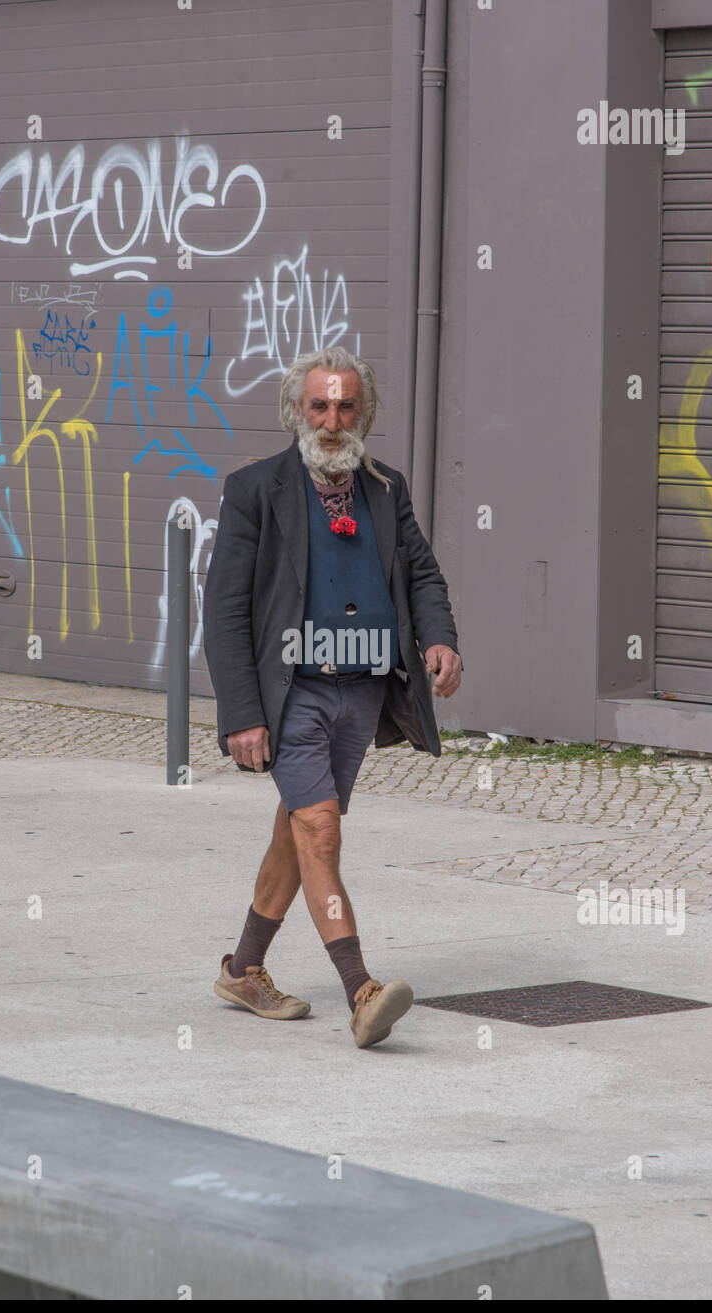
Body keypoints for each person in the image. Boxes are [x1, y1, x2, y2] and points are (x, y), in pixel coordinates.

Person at [203, 346, 462, 1048]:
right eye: (318, 405)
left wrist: (439, 639)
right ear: (296, 410)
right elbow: (224, 611)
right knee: (320, 827)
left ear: (364, 412)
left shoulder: (385, 488)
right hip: (293, 693)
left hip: (363, 694)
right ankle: (361, 989)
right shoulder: (256, 490)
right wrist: (242, 715)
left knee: (298, 824)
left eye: (346, 405)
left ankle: (244, 967)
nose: (331, 419)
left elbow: (422, 577)